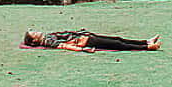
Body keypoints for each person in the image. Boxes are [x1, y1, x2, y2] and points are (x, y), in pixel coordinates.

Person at [23, 29, 161, 52]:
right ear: (34, 41)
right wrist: (83, 49)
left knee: (117, 39)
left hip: (85, 36)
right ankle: (147, 48)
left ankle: (146, 42)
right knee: (117, 45)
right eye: (34, 33)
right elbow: (64, 46)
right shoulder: (48, 42)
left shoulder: (48, 36)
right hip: (84, 42)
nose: (37, 31)